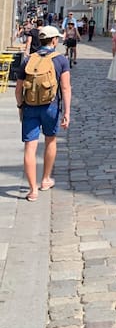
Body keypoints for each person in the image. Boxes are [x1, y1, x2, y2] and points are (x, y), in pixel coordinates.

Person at [14, 25, 72, 201]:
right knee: (50, 141)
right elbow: (65, 87)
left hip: (30, 106)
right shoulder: (61, 60)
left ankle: (32, 190)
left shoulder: (28, 60)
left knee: (30, 147)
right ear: (54, 40)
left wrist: (20, 106)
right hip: (50, 106)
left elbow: (18, 90)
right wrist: (67, 112)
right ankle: (45, 179)